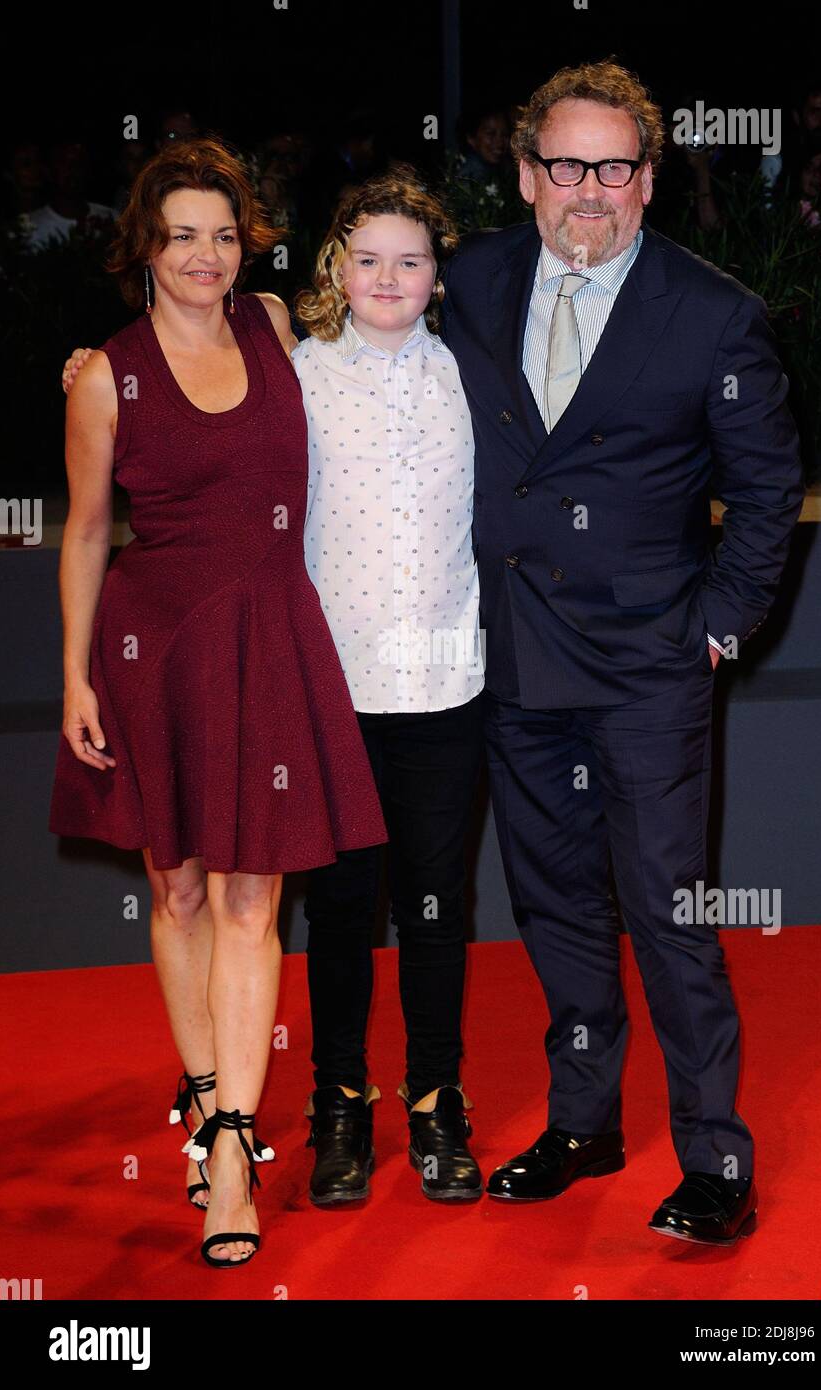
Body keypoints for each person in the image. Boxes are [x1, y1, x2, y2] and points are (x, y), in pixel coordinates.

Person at [439, 60, 804, 1244]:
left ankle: (712, 1153)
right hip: (510, 657)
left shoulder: (710, 312)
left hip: (647, 664)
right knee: (551, 907)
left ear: (645, 181)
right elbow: (361, 351)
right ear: (525, 173)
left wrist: (716, 625)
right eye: (562, 164)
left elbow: (765, 494)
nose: (584, 189)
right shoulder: (472, 279)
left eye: (609, 166)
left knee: (668, 911)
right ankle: (585, 1123)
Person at [49, 137, 387, 1268]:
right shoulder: (104, 375)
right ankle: (202, 1094)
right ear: (145, 246)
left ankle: (232, 1152)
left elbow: (394, 314)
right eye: (183, 235)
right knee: (180, 884)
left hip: (271, 636)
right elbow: (89, 529)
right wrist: (73, 673)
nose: (206, 255)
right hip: (155, 648)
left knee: (256, 892)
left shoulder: (276, 329)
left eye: (224, 235)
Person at [291, 167, 486, 1203]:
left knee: (435, 906)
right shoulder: (294, 371)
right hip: (331, 692)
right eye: (366, 257)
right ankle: (338, 1104)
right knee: (339, 910)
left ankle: (436, 1097)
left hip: (446, 687)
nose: (387, 276)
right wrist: (98, 364)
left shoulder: (470, 372)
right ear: (336, 264)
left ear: (436, 277)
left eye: (409, 260)